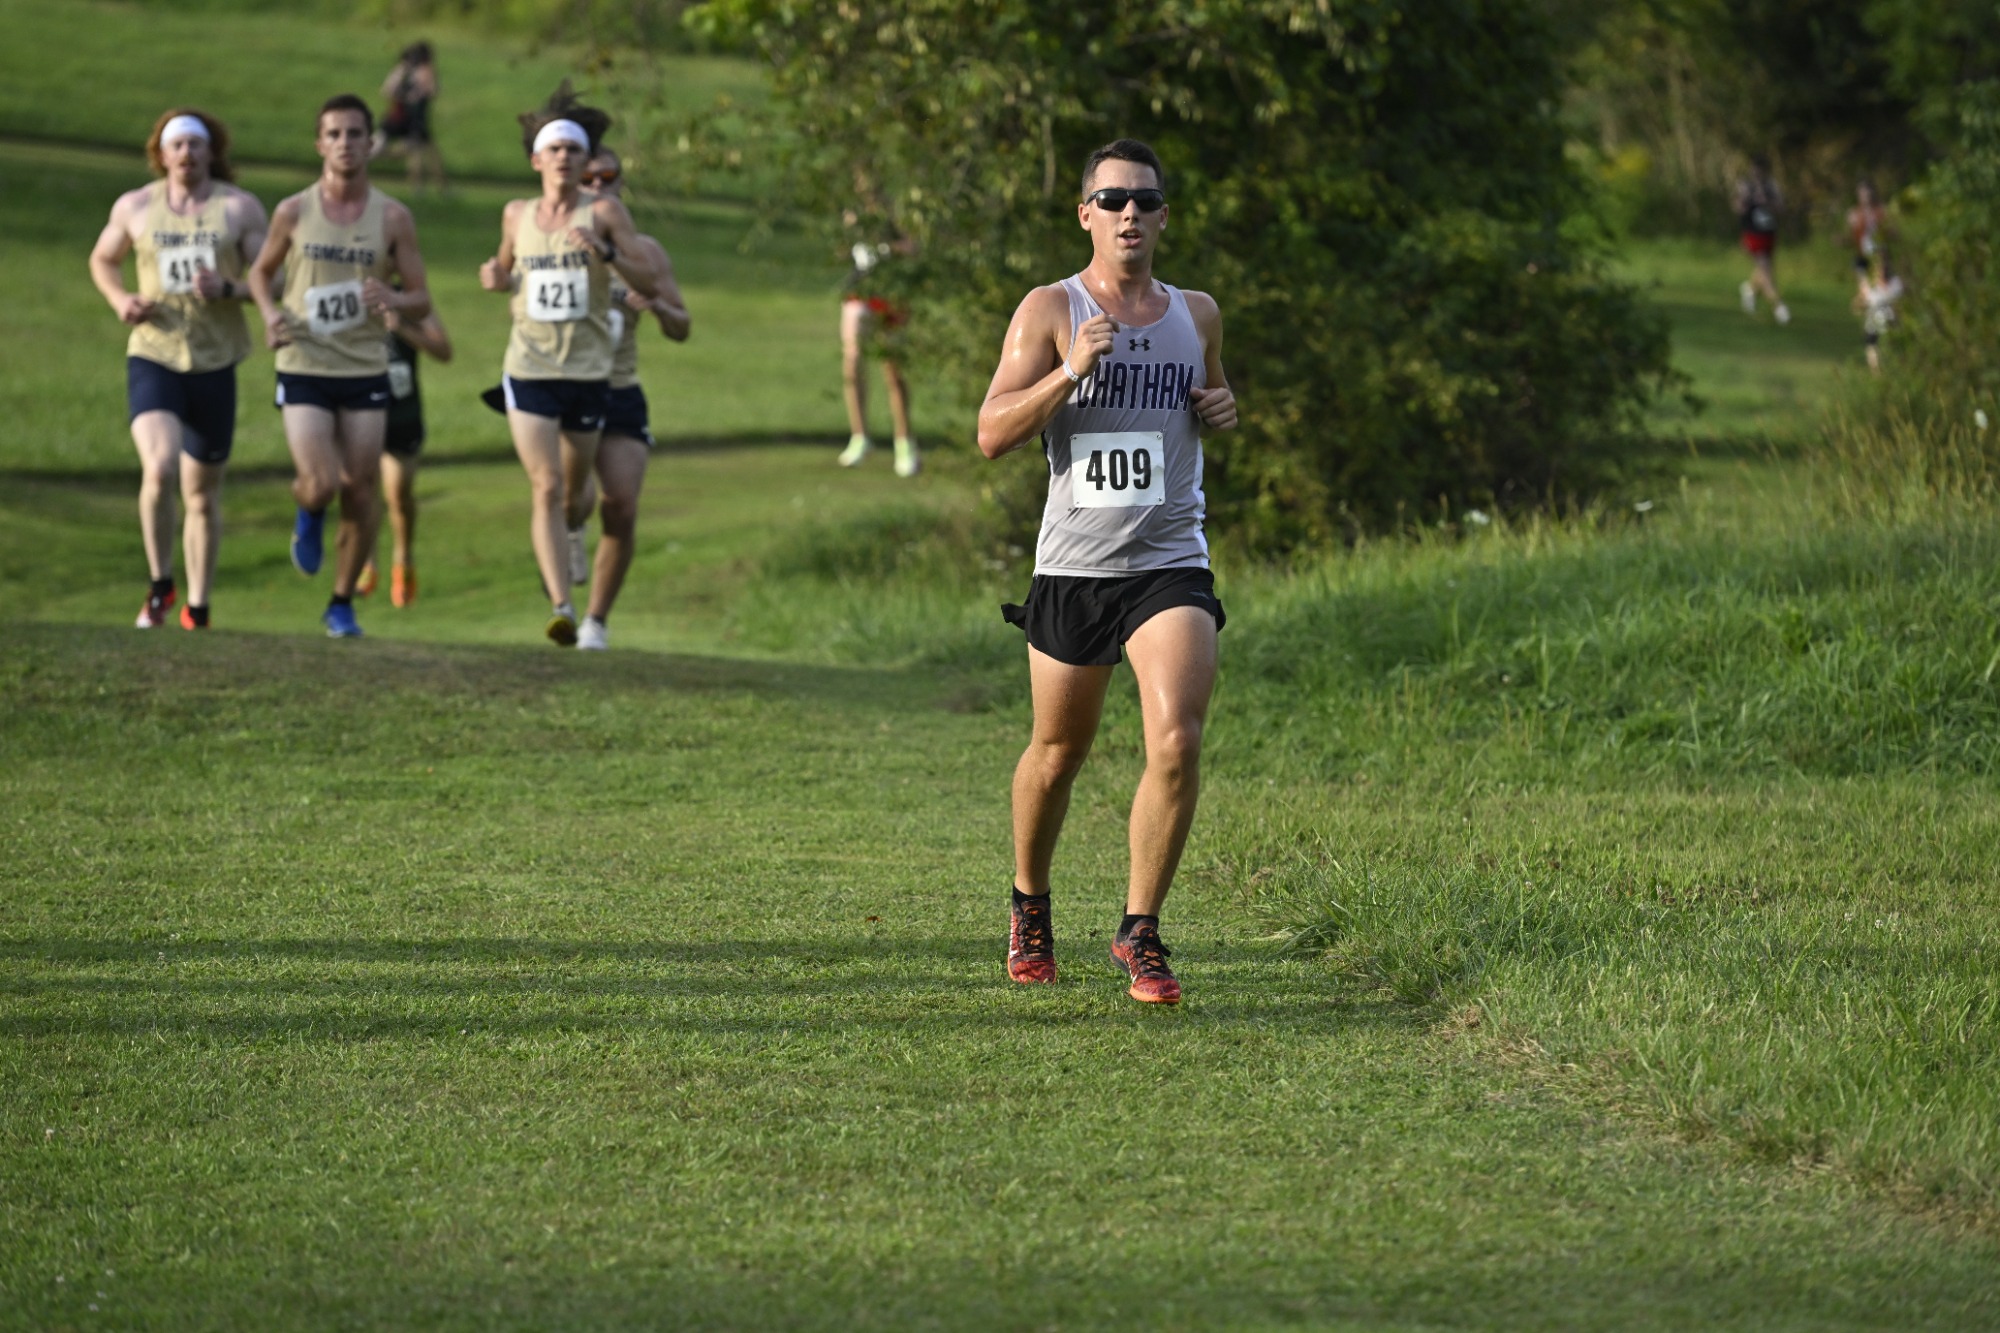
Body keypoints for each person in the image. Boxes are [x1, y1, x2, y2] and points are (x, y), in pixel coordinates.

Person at [975, 138, 1237, 1006]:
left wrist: (1221, 406)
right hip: (1075, 566)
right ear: (1085, 212)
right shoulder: (1051, 309)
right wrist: (1067, 374)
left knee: (1177, 738)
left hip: (1170, 561)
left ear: (1163, 216)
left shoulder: (1194, 313)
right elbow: (991, 433)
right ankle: (1029, 903)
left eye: (1147, 200)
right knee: (1058, 753)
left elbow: (1212, 395)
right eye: (1114, 199)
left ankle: (1141, 930)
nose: (1131, 213)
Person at [248, 93, 431, 639]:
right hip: (304, 360)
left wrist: (395, 302)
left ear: (372, 143)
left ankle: (341, 601)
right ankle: (307, 511)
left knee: (361, 488)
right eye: (334, 134)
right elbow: (261, 273)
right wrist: (268, 314)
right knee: (321, 482)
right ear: (319, 144)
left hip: (364, 367)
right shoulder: (292, 211)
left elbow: (421, 296)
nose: (345, 144)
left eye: (355, 134)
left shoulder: (394, 217)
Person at [478, 86, 657, 646]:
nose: (563, 158)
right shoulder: (516, 214)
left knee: (576, 496)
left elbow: (648, 278)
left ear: (584, 162)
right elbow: (506, 269)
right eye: (552, 150)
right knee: (545, 484)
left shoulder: (603, 212)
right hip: (528, 366)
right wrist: (496, 277)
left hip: (587, 373)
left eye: (573, 151)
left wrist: (606, 254)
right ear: (536, 160)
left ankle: (571, 532)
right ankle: (561, 605)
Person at [88, 109, 268, 630]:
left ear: (212, 152)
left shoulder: (238, 209)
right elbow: (103, 259)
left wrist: (230, 289)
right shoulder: (136, 207)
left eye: (196, 144)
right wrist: (120, 297)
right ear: (161, 154)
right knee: (161, 466)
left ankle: (199, 607)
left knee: (201, 494)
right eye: (178, 145)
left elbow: (271, 279)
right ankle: (160, 587)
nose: (187, 154)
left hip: (215, 361)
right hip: (155, 352)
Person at [565, 147, 691, 651]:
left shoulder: (646, 252)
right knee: (576, 498)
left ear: (620, 184)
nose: (597, 184)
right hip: (568, 386)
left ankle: (595, 621)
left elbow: (682, 327)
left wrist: (658, 306)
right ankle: (571, 527)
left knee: (621, 506)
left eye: (607, 176)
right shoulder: (553, 236)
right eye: (587, 176)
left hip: (620, 390)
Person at [356, 293, 452, 607]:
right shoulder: (349, 289)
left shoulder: (409, 299)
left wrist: (401, 327)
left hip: (403, 412)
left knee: (398, 494)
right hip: (360, 404)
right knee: (364, 489)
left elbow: (443, 350)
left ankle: (403, 559)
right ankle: (367, 562)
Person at [836, 214, 919, 477]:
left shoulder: (895, 211)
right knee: (852, 359)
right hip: (860, 289)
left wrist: (889, 245)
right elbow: (840, 251)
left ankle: (904, 442)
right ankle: (859, 436)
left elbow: (913, 249)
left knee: (892, 370)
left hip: (891, 294)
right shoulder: (852, 212)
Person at [376, 42, 445, 193]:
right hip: (413, 117)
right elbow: (432, 91)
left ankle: (437, 187)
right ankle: (420, 187)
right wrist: (411, 95)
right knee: (418, 153)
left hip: (413, 116)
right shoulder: (421, 71)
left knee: (429, 153)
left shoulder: (407, 70)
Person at [1735, 155, 1790, 325]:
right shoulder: (1746, 186)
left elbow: (1781, 208)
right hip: (1753, 233)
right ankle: (1779, 307)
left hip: (1769, 233)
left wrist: (1768, 203)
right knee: (1765, 271)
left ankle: (1749, 290)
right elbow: (1738, 207)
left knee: (1764, 270)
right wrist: (1747, 200)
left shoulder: (1771, 187)